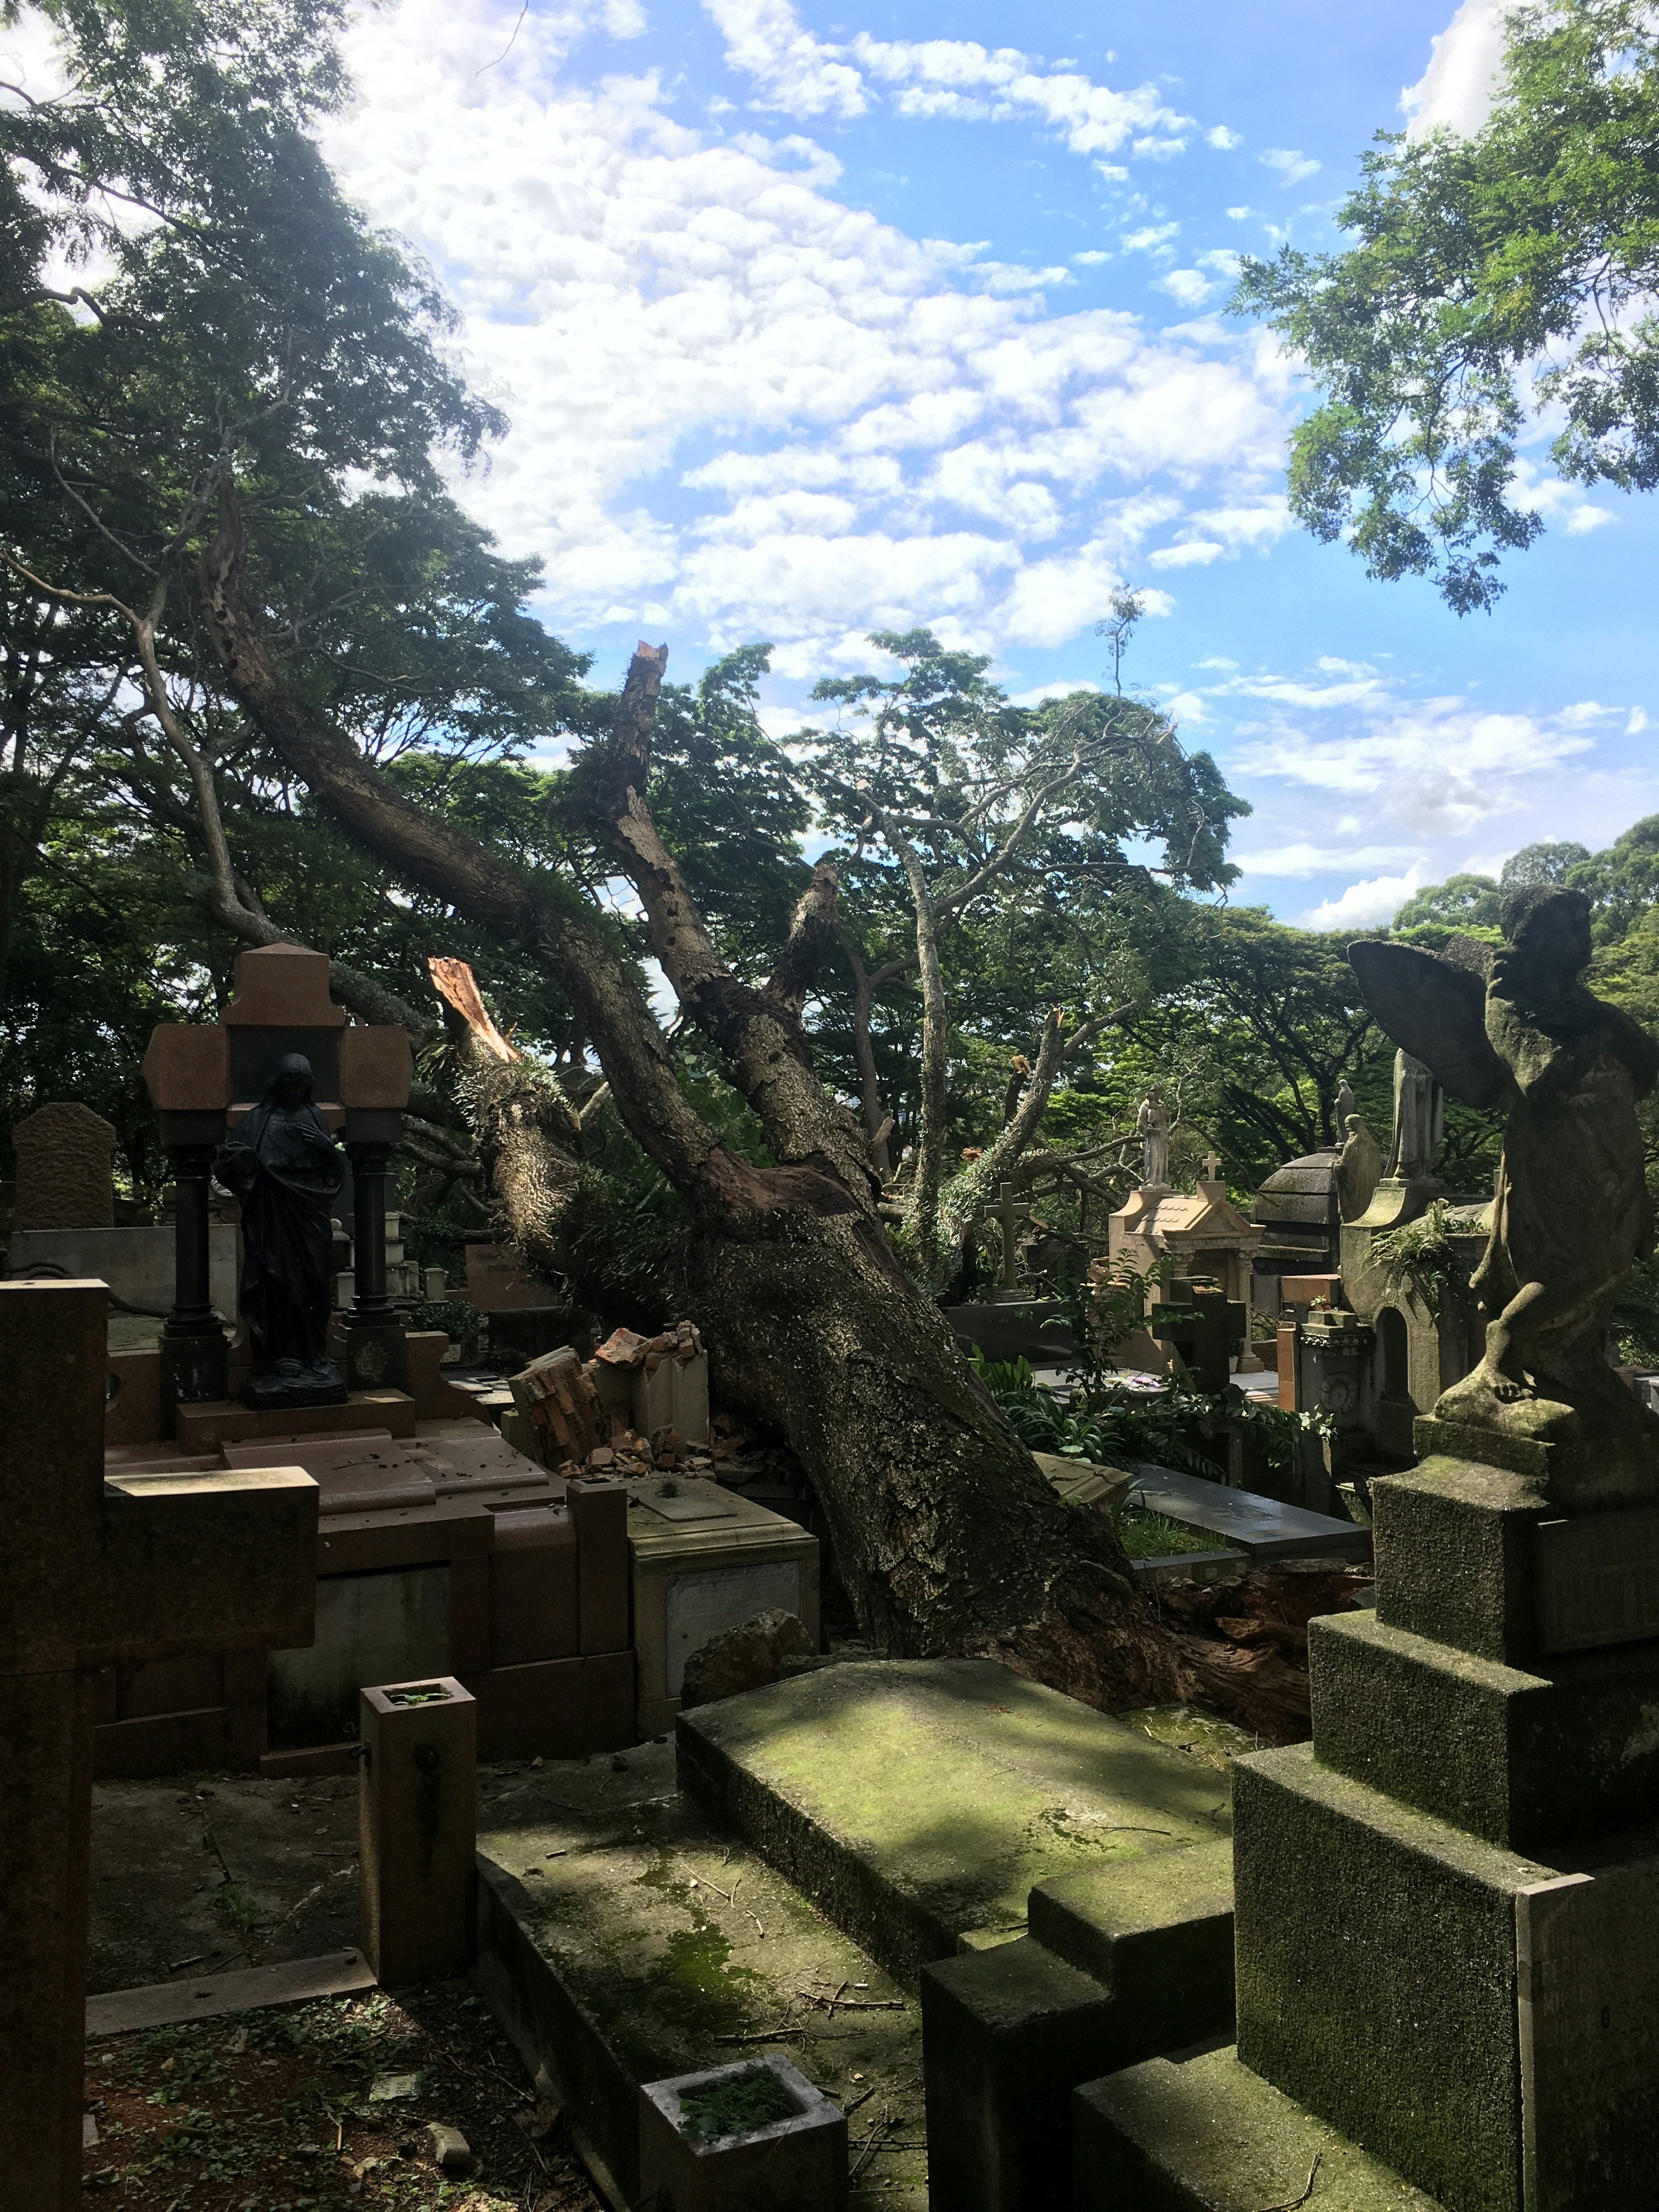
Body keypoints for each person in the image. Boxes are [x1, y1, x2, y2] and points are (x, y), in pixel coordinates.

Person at [215, 1053, 347, 1403]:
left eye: (301, 1085)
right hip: (273, 1208)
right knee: (278, 1281)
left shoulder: (316, 1117)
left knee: (315, 1282)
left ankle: (313, 1354)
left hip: (310, 1209)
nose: (295, 1091)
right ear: (277, 1085)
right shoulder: (258, 1119)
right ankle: (283, 1357)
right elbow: (227, 1162)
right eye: (289, 1084)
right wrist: (247, 1161)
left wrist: (326, 1147)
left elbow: (334, 1171)